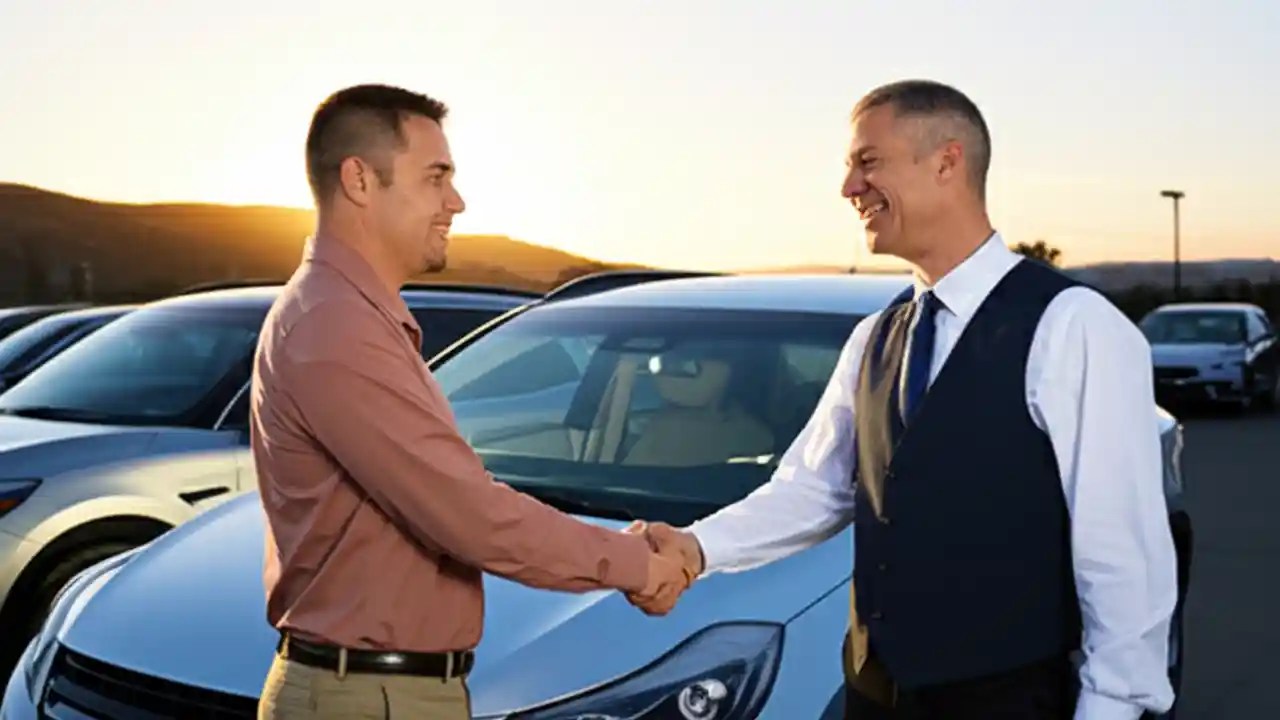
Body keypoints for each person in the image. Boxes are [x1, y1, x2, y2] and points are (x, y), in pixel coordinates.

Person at [626, 79, 1179, 720]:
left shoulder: (1074, 327)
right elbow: (815, 487)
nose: (848, 188)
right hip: (872, 698)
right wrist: (697, 549)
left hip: (1005, 702)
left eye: (868, 162)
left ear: (947, 162)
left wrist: (1111, 708)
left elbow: (1123, 557)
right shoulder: (875, 336)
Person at [249, 83, 689, 719]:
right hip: (369, 699)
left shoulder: (349, 315)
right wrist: (636, 566)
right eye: (435, 178)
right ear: (360, 180)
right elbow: (467, 514)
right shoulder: (335, 325)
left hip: (379, 692)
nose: (456, 201)